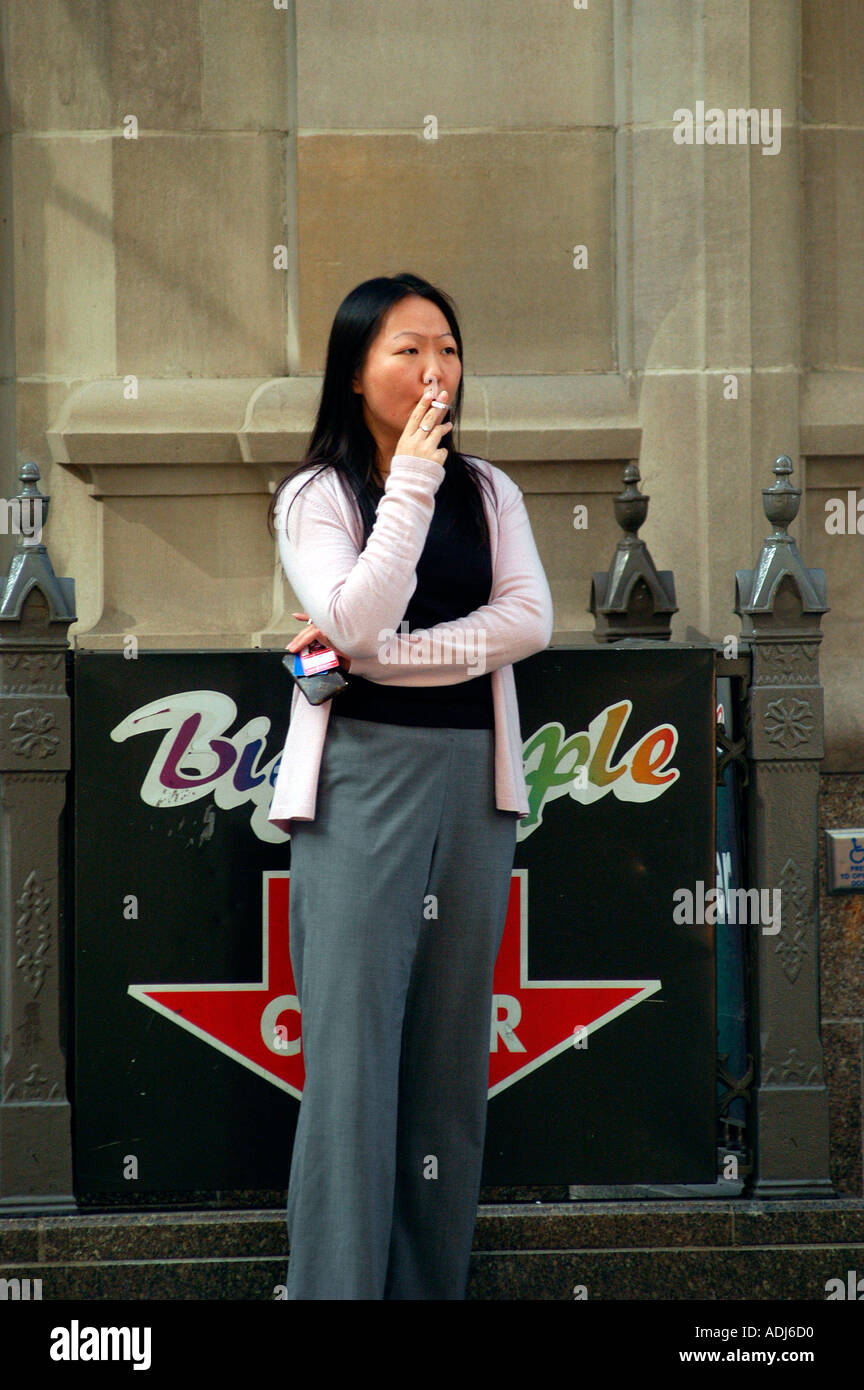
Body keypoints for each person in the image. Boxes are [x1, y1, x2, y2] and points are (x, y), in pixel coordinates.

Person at [267, 272, 553, 1299]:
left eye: (449, 347)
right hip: (359, 784)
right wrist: (413, 484)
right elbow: (350, 618)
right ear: (355, 372)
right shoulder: (315, 495)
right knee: (350, 1072)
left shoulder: (494, 489)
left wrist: (390, 651)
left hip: (474, 786)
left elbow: (529, 621)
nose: (436, 369)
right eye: (407, 350)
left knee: (446, 1072)